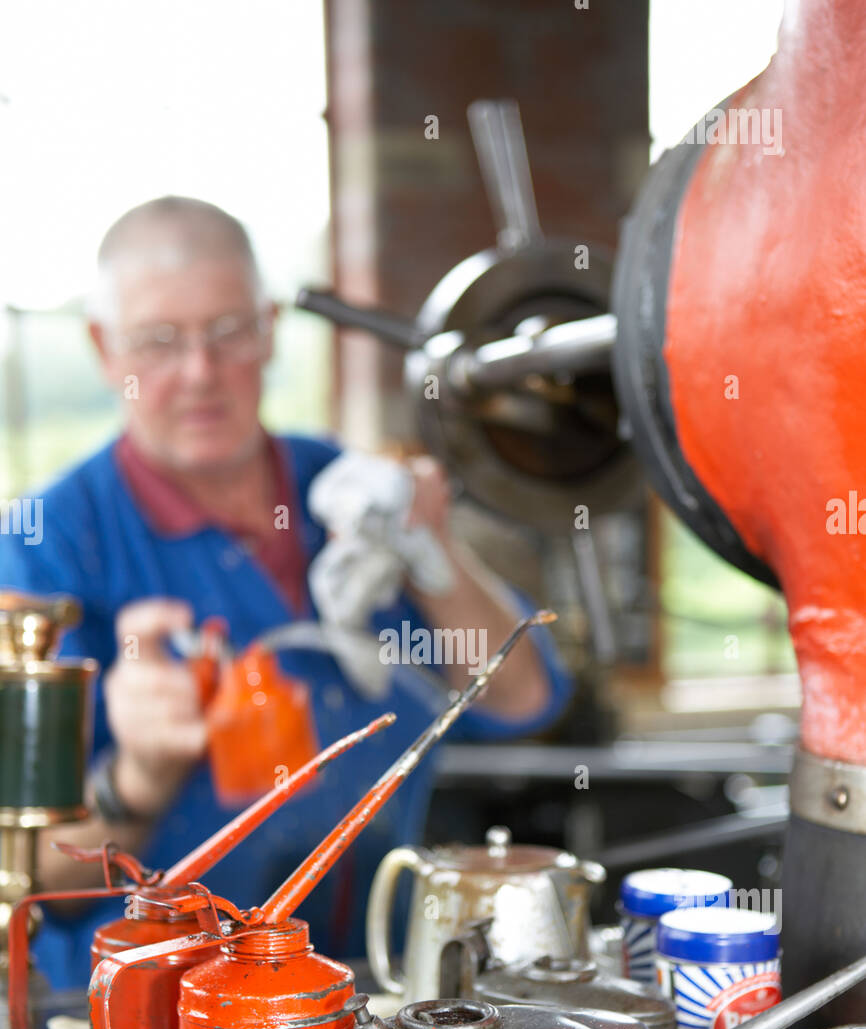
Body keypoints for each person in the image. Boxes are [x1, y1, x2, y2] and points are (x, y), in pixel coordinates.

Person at [0, 196, 571, 986]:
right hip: (155, 1022)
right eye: (159, 341)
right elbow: (31, 884)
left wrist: (431, 553)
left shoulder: (338, 489)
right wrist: (139, 776)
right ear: (104, 348)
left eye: (228, 331)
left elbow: (523, 699)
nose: (200, 372)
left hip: (375, 989)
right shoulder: (45, 549)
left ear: (269, 328)